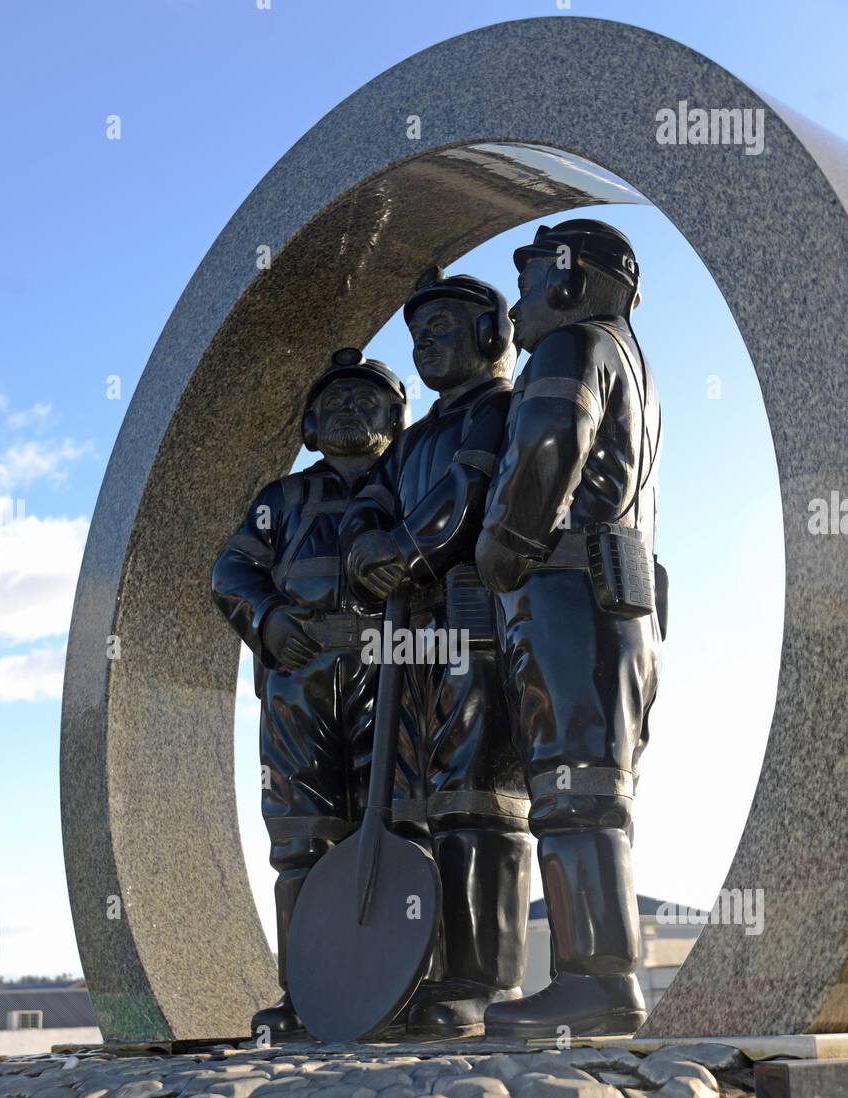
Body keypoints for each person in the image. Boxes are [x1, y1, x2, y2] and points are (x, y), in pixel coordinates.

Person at [475, 220, 666, 1039]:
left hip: (565, 594)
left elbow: (549, 439)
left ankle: (595, 983)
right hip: (620, 600)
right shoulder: (636, 367)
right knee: (594, 791)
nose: (516, 309)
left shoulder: (571, 348)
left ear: (567, 281)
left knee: (570, 789)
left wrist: (502, 547)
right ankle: (598, 977)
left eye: (526, 285)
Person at [346, 267, 531, 1038]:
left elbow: (465, 499)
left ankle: (483, 978)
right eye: (417, 334)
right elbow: (366, 515)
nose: (426, 343)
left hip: (477, 632)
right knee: (411, 805)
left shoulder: (500, 411)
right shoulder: (409, 441)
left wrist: (402, 549)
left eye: (443, 327)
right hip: (409, 642)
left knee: (477, 800)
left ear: (492, 335)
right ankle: (416, 972)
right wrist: (369, 554)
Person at [211, 348, 408, 1037]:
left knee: (394, 823)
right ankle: (304, 999)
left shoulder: (414, 484)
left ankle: (395, 995)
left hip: (393, 673)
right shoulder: (281, 500)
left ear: (396, 418)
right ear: (309, 426)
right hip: (299, 678)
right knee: (299, 839)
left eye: (367, 401)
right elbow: (232, 570)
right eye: (335, 404)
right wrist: (266, 620)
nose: (350, 412)